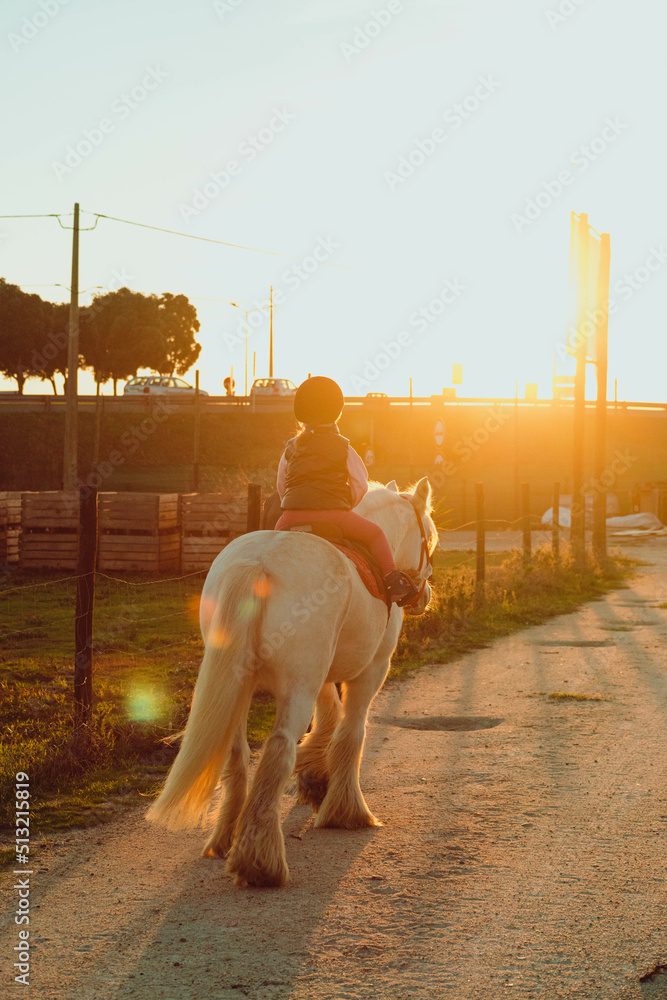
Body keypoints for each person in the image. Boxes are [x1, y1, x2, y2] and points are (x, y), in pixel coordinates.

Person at [274, 376, 419, 606]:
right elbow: (360, 484)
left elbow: (282, 485)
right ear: (337, 412)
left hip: (290, 517)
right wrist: (342, 505)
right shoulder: (344, 447)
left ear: (301, 413)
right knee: (376, 534)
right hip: (334, 515)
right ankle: (394, 583)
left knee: (271, 546)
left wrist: (294, 506)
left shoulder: (291, 448)